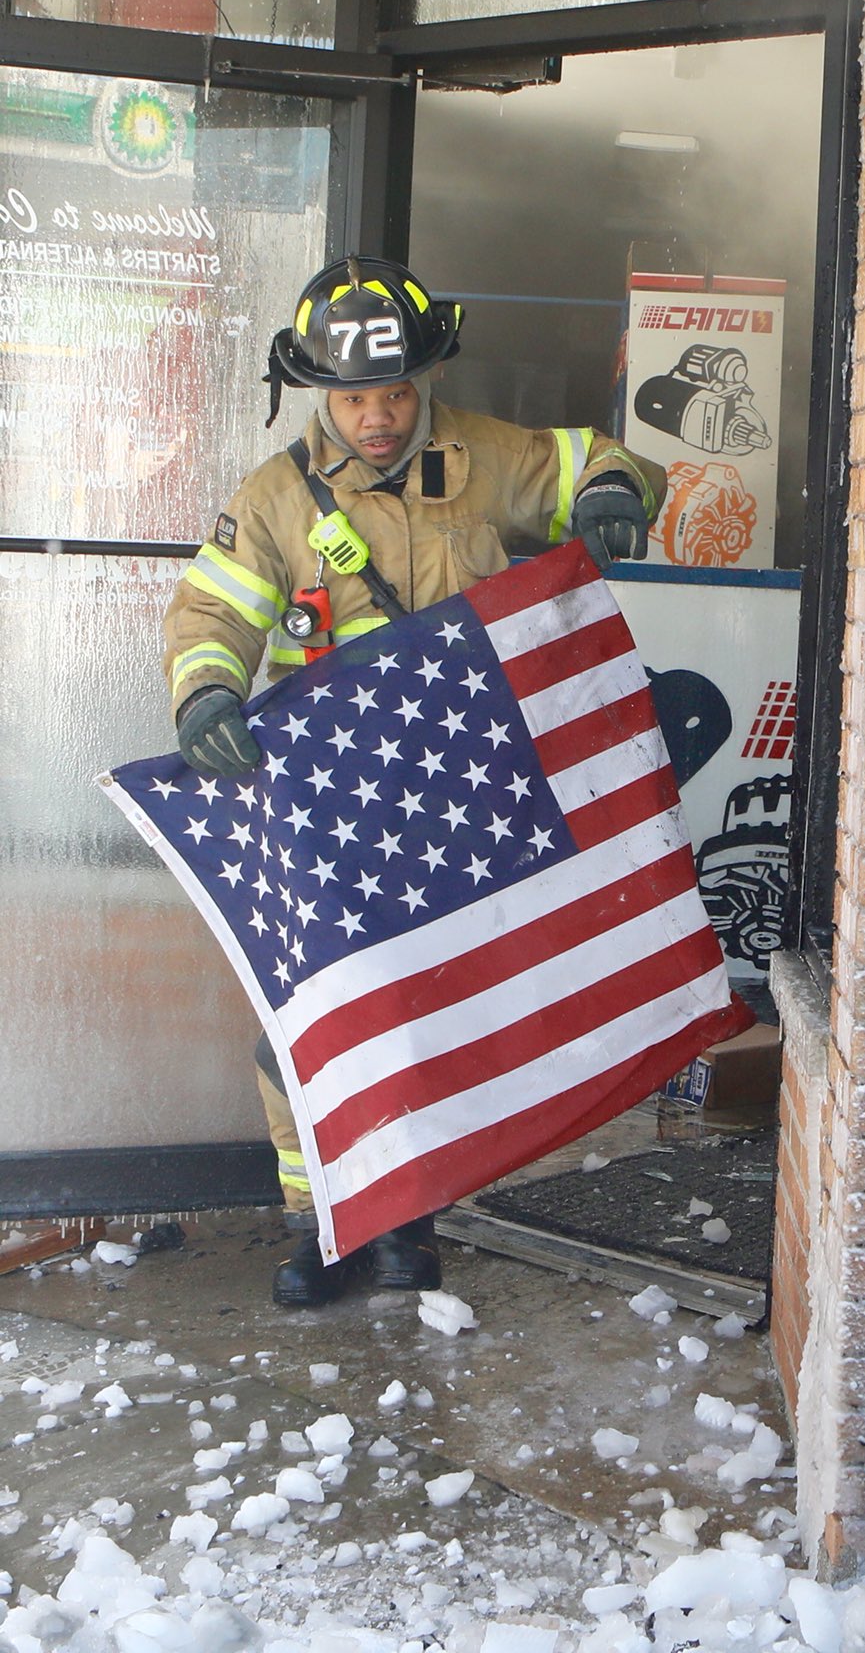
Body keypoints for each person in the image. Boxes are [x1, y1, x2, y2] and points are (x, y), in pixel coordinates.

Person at [162, 255, 666, 1308]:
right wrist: (206, 694)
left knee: (432, 1010)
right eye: (354, 395)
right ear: (318, 391)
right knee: (304, 1020)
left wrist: (617, 490)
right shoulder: (273, 500)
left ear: (425, 376)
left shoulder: (491, 457)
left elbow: (597, 461)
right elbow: (210, 617)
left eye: (396, 390)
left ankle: (410, 1225)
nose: (380, 415)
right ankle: (321, 1224)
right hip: (331, 808)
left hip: (460, 796)